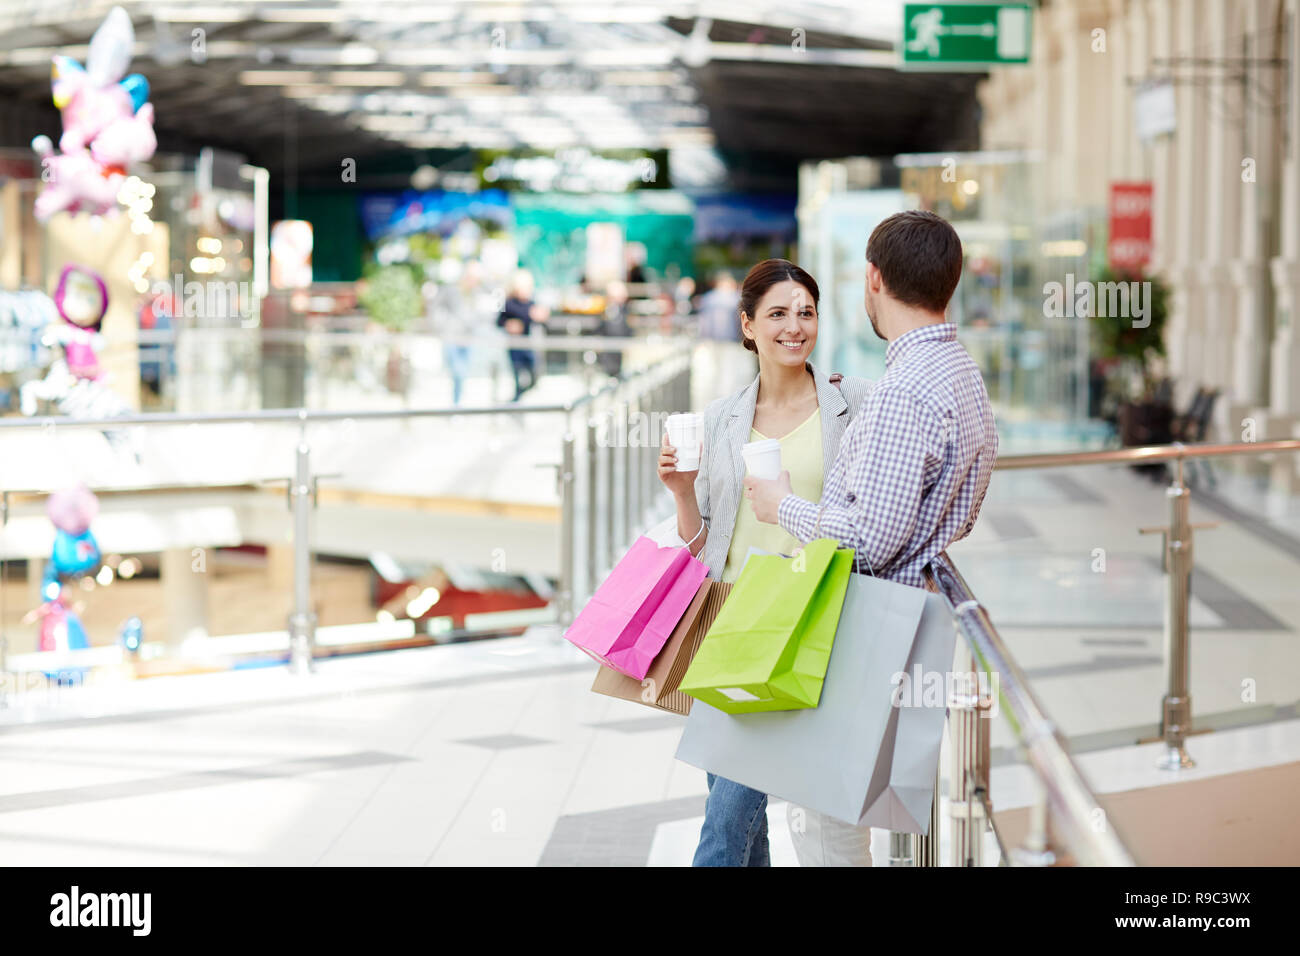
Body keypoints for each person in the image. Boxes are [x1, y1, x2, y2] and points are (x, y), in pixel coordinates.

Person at [744, 210, 999, 866]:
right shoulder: (960, 374)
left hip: (861, 628)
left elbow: (867, 541)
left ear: (874, 279)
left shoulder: (903, 394)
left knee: (827, 820)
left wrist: (783, 506)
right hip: (912, 617)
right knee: (853, 807)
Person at [656, 258, 872, 867]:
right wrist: (681, 492)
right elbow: (702, 546)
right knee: (741, 821)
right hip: (729, 624)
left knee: (724, 828)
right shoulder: (722, 419)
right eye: (777, 314)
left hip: (811, 620)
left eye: (806, 312)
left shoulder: (854, 405)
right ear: (747, 325)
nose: (794, 327)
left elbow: (869, 517)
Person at [496, 269, 549, 401]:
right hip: (515, 346)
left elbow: (540, 321)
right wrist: (509, 324)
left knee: (534, 376)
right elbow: (499, 321)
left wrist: (542, 317)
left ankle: (516, 398)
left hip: (528, 345)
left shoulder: (532, 303)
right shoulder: (508, 303)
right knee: (517, 376)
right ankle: (515, 401)